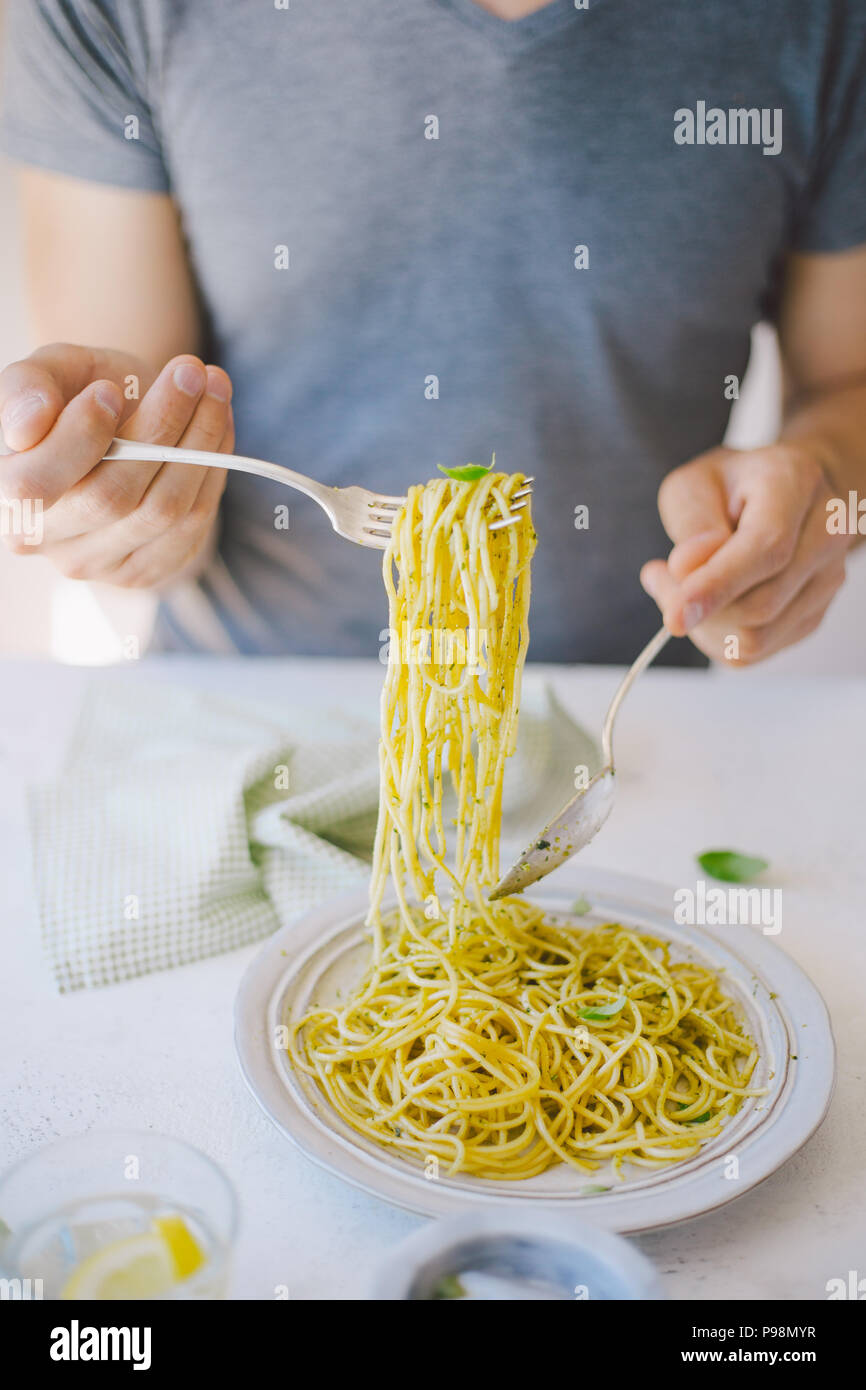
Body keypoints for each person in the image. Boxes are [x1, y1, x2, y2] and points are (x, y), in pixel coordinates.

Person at [1, 0, 864, 665]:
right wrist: (125, 513)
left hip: (626, 727)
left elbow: (848, 389)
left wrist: (817, 483)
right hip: (245, 712)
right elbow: (137, 443)